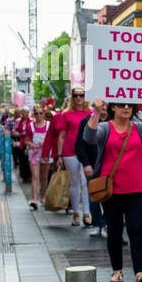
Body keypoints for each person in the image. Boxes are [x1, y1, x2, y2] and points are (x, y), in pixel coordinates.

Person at [82, 98, 142, 282]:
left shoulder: (140, 128)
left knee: (136, 229)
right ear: (113, 107)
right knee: (115, 231)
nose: (126, 108)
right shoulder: (105, 128)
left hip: (138, 188)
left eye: (129, 105)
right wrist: (97, 113)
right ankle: (117, 271)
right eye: (121, 105)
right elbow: (89, 137)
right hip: (111, 190)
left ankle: (139, 272)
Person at [54, 87, 94, 227]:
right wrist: (59, 155)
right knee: (74, 183)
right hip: (69, 151)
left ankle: (87, 214)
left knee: (85, 182)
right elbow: (62, 136)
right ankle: (76, 213)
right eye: (76, 95)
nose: (78, 98)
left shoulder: (91, 113)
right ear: (72, 97)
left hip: (86, 151)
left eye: (81, 95)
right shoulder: (66, 114)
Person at [27, 107, 53, 209]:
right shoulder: (30, 126)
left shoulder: (49, 125)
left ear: (44, 114)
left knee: (44, 177)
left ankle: (43, 197)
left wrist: (46, 143)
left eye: (40, 113)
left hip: (46, 153)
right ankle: (34, 199)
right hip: (34, 153)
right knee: (35, 176)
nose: (38, 116)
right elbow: (26, 140)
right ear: (34, 115)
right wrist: (30, 144)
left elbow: (53, 139)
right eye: (36, 113)